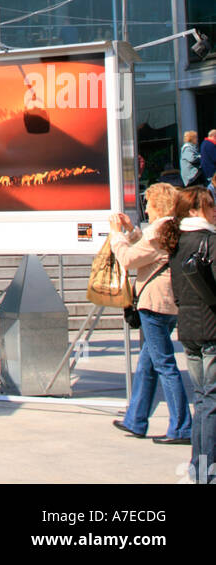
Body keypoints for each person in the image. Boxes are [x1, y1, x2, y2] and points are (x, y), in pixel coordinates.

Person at [109, 183, 191, 444]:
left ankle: (181, 427)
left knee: (164, 365)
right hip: (167, 304)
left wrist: (116, 235)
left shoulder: (157, 231)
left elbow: (129, 258)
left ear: (158, 205)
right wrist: (131, 230)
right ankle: (136, 419)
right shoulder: (171, 227)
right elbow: (147, 249)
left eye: (148, 203)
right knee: (148, 363)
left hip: (153, 304)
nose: (146, 208)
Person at [154, 186, 216, 484]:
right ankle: (207, 471)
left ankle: (199, 467)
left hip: (189, 329)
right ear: (194, 210)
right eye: (209, 205)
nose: (214, 210)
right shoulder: (209, 242)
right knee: (211, 400)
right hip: (212, 328)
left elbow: (177, 292)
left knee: (204, 399)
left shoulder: (177, 243)